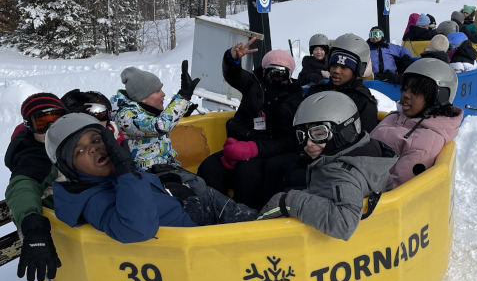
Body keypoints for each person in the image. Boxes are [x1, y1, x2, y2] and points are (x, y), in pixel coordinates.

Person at [45, 114, 256, 244]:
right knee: (265, 224)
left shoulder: (109, 176)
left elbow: (139, 193)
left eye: (96, 139)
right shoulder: (91, 201)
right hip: (194, 243)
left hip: (189, 213)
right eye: (80, 151)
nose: (93, 148)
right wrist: (126, 171)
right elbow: (137, 228)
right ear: (70, 169)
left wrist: (163, 184)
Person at [257, 93, 397, 240]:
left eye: (319, 134)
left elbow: (344, 223)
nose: (309, 143)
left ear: (345, 131)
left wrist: (288, 201)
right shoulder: (367, 155)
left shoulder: (342, 175)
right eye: (303, 135)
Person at [197, 41, 304, 209]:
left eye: (282, 73)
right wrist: (232, 60)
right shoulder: (254, 83)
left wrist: (254, 147)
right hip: (240, 141)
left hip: (266, 147)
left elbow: (288, 136)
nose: (276, 78)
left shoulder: (294, 95)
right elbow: (234, 75)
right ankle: (216, 209)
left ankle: (245, 214)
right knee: (209, 167)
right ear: (264, 71)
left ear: (289, 75)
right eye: (271, 72)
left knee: (247, 173)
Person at [111, 60, 209, 197]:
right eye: (158, 91)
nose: (163, 94)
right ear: (143, 98)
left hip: (164, 168)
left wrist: (182, 110)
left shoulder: (142, 109)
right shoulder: (126, 116)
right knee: (199, 188)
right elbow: (160, 125)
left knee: (202, 182)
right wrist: (183, 96)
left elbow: (159, 118)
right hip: (146, 176)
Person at [370, 59, 463, 188]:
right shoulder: (397, 116)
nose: (406, 95)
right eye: (405, 89)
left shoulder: (426, 140)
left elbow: (398, 186)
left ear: (437, 98)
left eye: (416, 92)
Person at [4, 93, 67, 281]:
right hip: (66, 229)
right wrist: (33, 225)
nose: (51, 129)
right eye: (42, 123)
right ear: (30, 127)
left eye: (57, 120)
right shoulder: (35, 156)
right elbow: (22, 186)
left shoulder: (75, 141)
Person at [308, 33, 378, 133]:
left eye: (344, 67)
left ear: (356, 70)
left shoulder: (364, 102)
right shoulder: (317, 92)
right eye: (333, 65)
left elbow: (366, 137)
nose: (336, 71)